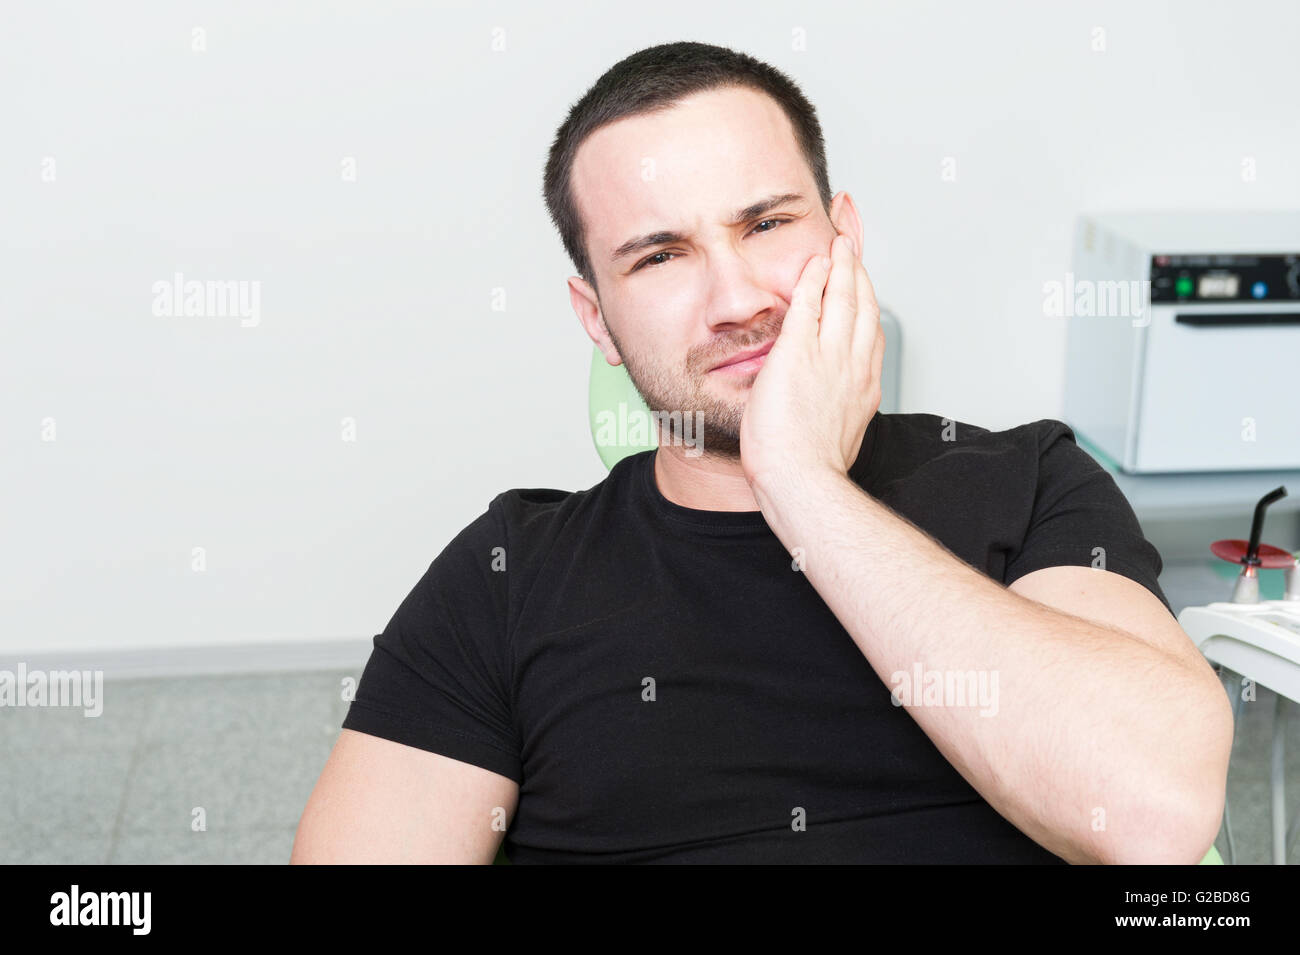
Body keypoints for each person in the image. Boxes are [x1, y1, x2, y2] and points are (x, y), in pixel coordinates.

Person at [292, 41, 1232, 864]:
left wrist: (800, 483)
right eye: (660, 256)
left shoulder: (1026, 482)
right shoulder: (504, 578)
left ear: (845, 237)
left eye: (768, 224)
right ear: (598, 320)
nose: (737, 299)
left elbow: (1152, 817)